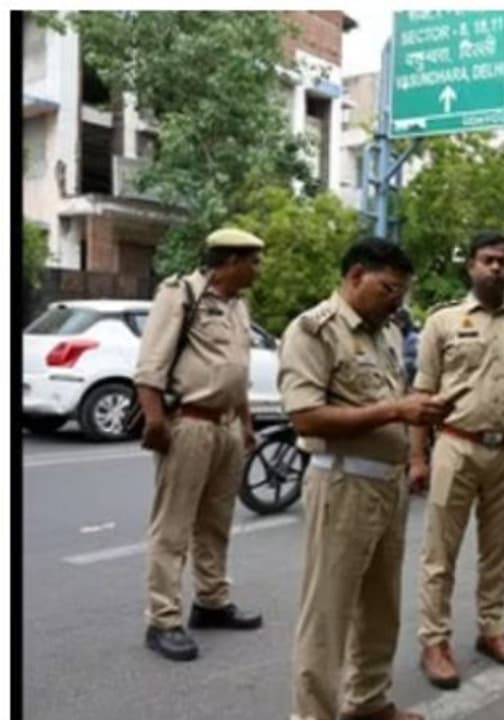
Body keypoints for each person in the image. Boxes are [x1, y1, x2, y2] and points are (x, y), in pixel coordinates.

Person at [281, 239, 450, 720]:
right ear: (356, 276)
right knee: (327, 616)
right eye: (389, 288)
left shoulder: (387, 333)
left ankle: (369, 703)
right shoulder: (314, 330)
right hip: (342, 486)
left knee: (380, 608)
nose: (397, 300)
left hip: (387, 487)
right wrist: (397, 409)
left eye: (402, 292)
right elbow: (307, 418)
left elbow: (390, 401)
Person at [410, 230, 504, 690]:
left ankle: (491, 630)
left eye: (503, 261)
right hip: (456, 445)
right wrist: (417, 456)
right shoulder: (443, 321)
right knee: (440, 553)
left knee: (497, 551)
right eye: (488, 260)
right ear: (470, 266)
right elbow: (423, 391)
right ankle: (434, 641)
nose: (496, 268)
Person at [133, 227, 264, 663]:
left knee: (216, 522)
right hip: (189, 422)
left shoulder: (238, 306)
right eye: (252, 260)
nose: (258, 268)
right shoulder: (180, 294)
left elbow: (236, 371)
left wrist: (245, 424)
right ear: (228, 261)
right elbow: (150, 365)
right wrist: (154, 419)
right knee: (173, 526)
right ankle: (163, 619)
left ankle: (211, 601)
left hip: (226, 426)